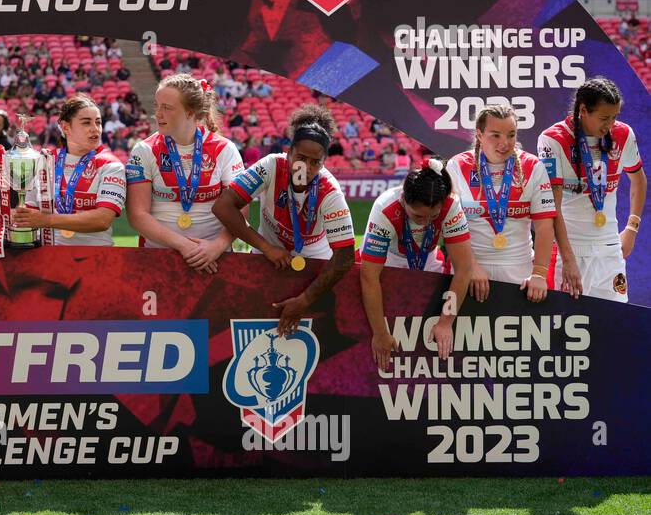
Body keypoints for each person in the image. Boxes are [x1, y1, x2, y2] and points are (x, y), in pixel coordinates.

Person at [215, 104, 356, 336]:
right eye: (301, 158)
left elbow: (345, 256)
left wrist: (305, 299)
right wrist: (266, 247)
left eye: (315, 162)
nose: (307, 168)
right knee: (257, 324)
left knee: (311, 329)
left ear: (324, 162)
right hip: (267, 255)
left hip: (314, 261)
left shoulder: (330, 191)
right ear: (289, 151)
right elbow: (223, 206)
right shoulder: (270, 166)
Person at [360, 160, 474, 369]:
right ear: (404, 200)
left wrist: (446, 321)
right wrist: (380, 333)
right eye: (418, 215)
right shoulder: (385, 208)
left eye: (433, 216)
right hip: (390, 261)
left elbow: (464, 268)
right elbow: (369, 276)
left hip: (429, 257)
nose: (426, 221)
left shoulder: (451, 204)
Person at [538, 77, 644, 302]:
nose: (610, 125)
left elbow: (639, 180)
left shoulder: (623, 134)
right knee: (568, 327)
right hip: (569, 249)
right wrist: (568, 259)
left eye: (615, 117)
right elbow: (551, 206)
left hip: (609, 250)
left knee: (616, 324)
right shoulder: (553, 139)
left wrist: (632, 228)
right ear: (583, 110)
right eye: (605, 118)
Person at [126, 73, 244, 273]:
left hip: (215, 261)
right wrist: (185, 246)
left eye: (167, 108)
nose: (158, 114)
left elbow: (240, 210)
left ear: (190, 113)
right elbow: (137, 214)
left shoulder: (225, 149)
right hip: (158, 260)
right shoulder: (144, 150)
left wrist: (217, 246)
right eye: (157, 105)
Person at [448, 104, 556, 303]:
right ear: (479, 135)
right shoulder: (457, 165)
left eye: (511, 135)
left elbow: (544, 226)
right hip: (470, 270)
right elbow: (449, 227)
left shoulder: (533, 166)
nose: (505, 143)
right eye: (495, 135)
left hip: (519, 269)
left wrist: (539, 274)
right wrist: (469, 266)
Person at [11, 94, 126, 245]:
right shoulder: (44, 160)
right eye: (86, 123)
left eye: (98, 123)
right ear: (65, 127)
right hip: (48, 258)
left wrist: (48, 220)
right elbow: (29, 211)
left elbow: (103, 220)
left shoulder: (111, 165)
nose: (95, 129)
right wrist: (1, 214)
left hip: (96, 259)